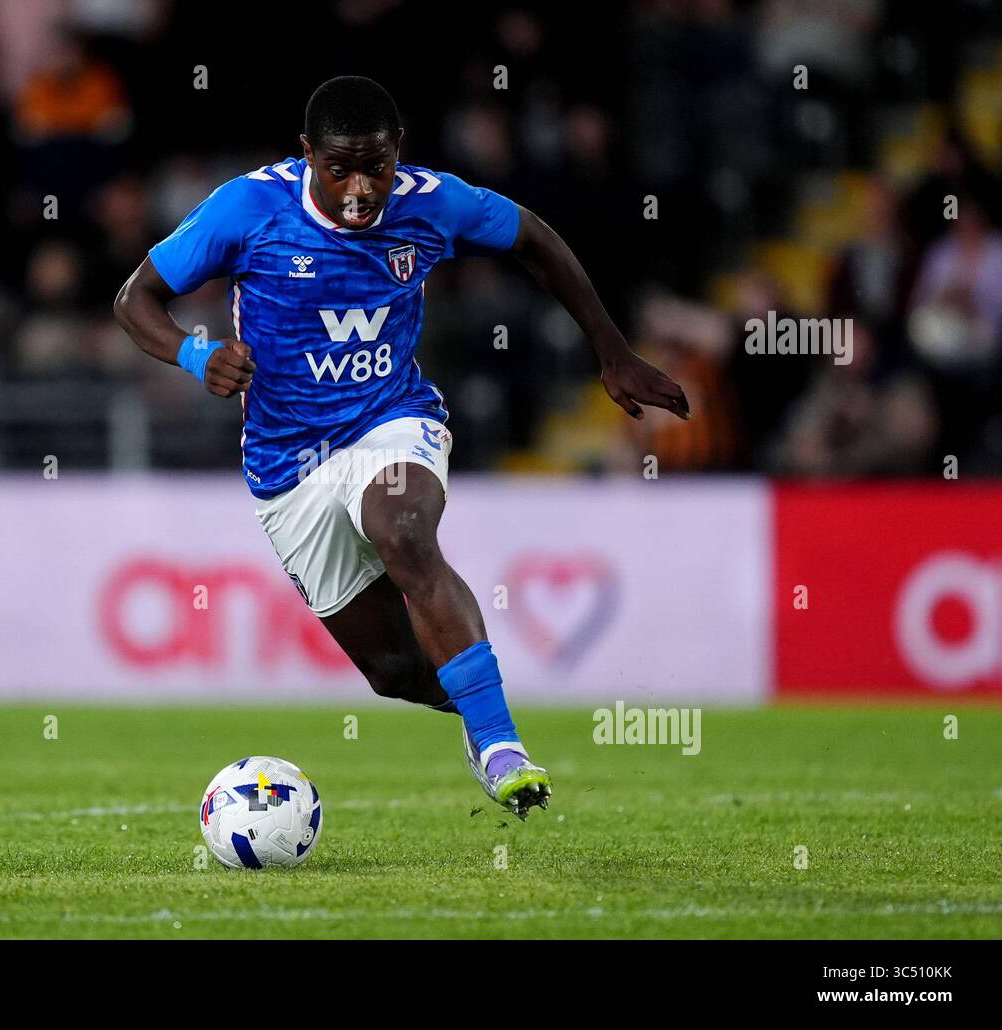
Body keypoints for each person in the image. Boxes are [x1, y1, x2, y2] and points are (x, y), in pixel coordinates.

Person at [114, 76, 689, 819]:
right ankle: (474, 709)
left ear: (398, 156)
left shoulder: (434, 201)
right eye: (339, 168)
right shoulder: (248, 208)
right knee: (392, 670)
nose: (359, 190)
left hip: (390, 417)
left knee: (404, 529)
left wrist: (611, 350)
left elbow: (535, 240)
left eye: (375, 169)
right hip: (287, 462)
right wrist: (196, 355)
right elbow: (135, 297)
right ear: (307, 156)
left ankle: (501, 747)